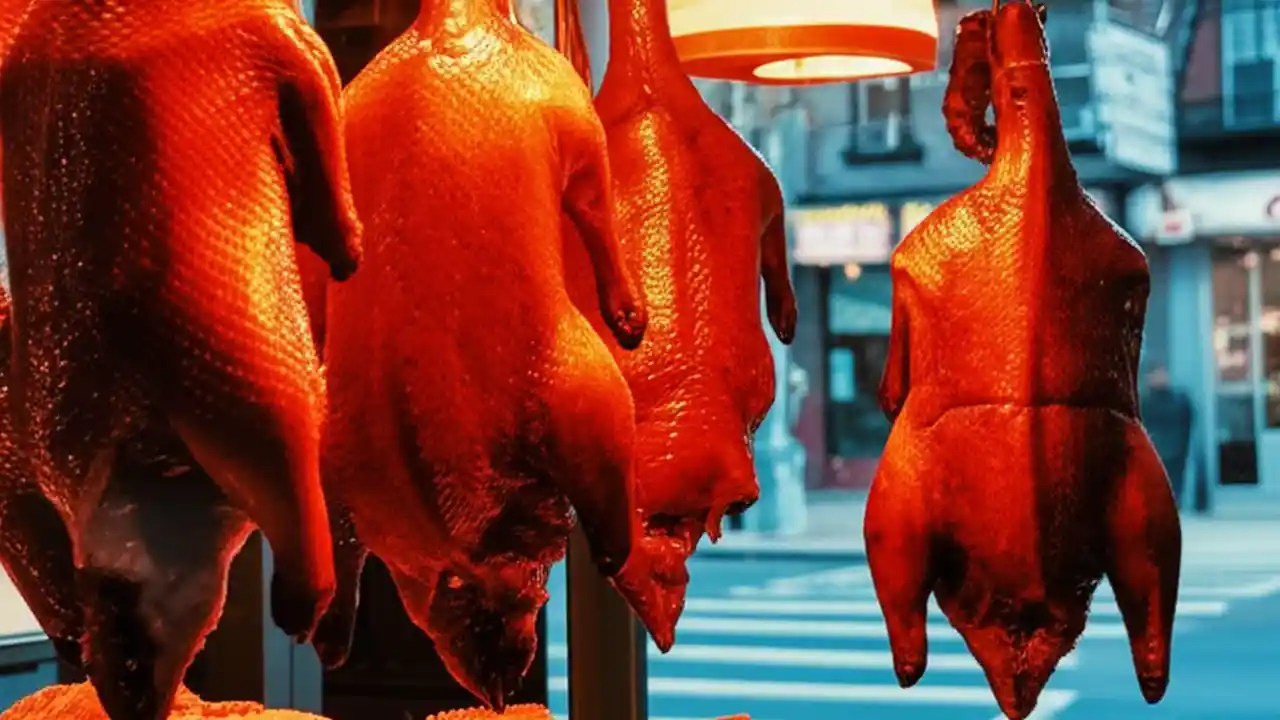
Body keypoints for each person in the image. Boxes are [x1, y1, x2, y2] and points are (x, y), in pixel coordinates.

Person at [1140, 364, 1194, 508]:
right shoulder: (1145, 402)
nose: (1160, 378)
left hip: (1174, 451)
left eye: (1162, 373)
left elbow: (1186, 422)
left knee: (1173, 486)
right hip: (1156, 450)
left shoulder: (1178, 400)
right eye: (1156, 374)